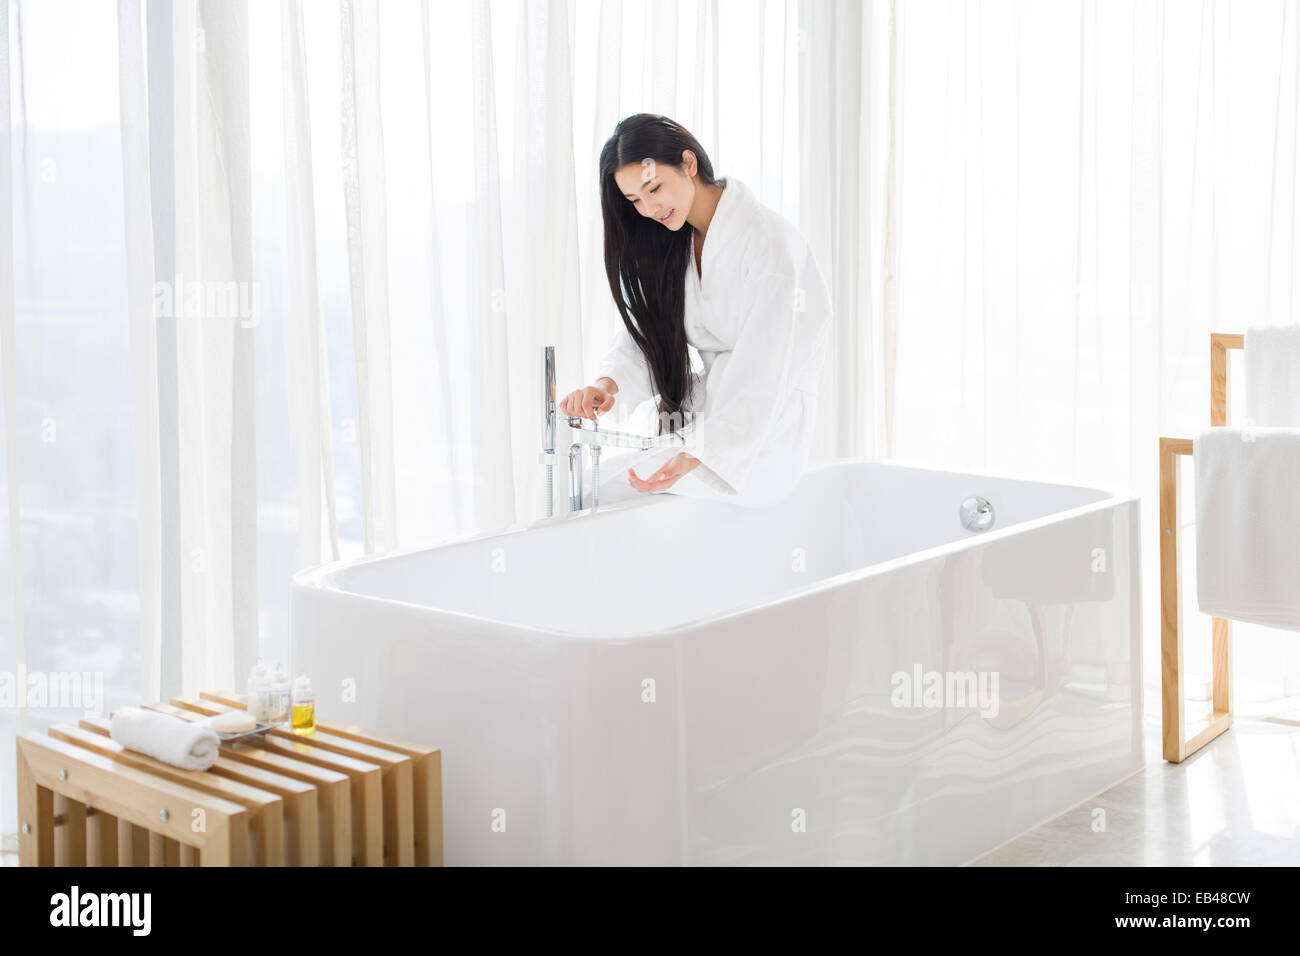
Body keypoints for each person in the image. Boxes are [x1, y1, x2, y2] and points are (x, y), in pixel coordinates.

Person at [560, 113, 832, 509]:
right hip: (709, 432)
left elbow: (765, 369)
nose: (649, 208)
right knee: (587, 487)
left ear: (688, 164)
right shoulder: (678, 240)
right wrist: (607, 387)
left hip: (761, 438)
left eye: (654, 189)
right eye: (635, 200)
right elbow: (648, 333)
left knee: (593, 491)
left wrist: (704, 453)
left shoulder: (769, 245)